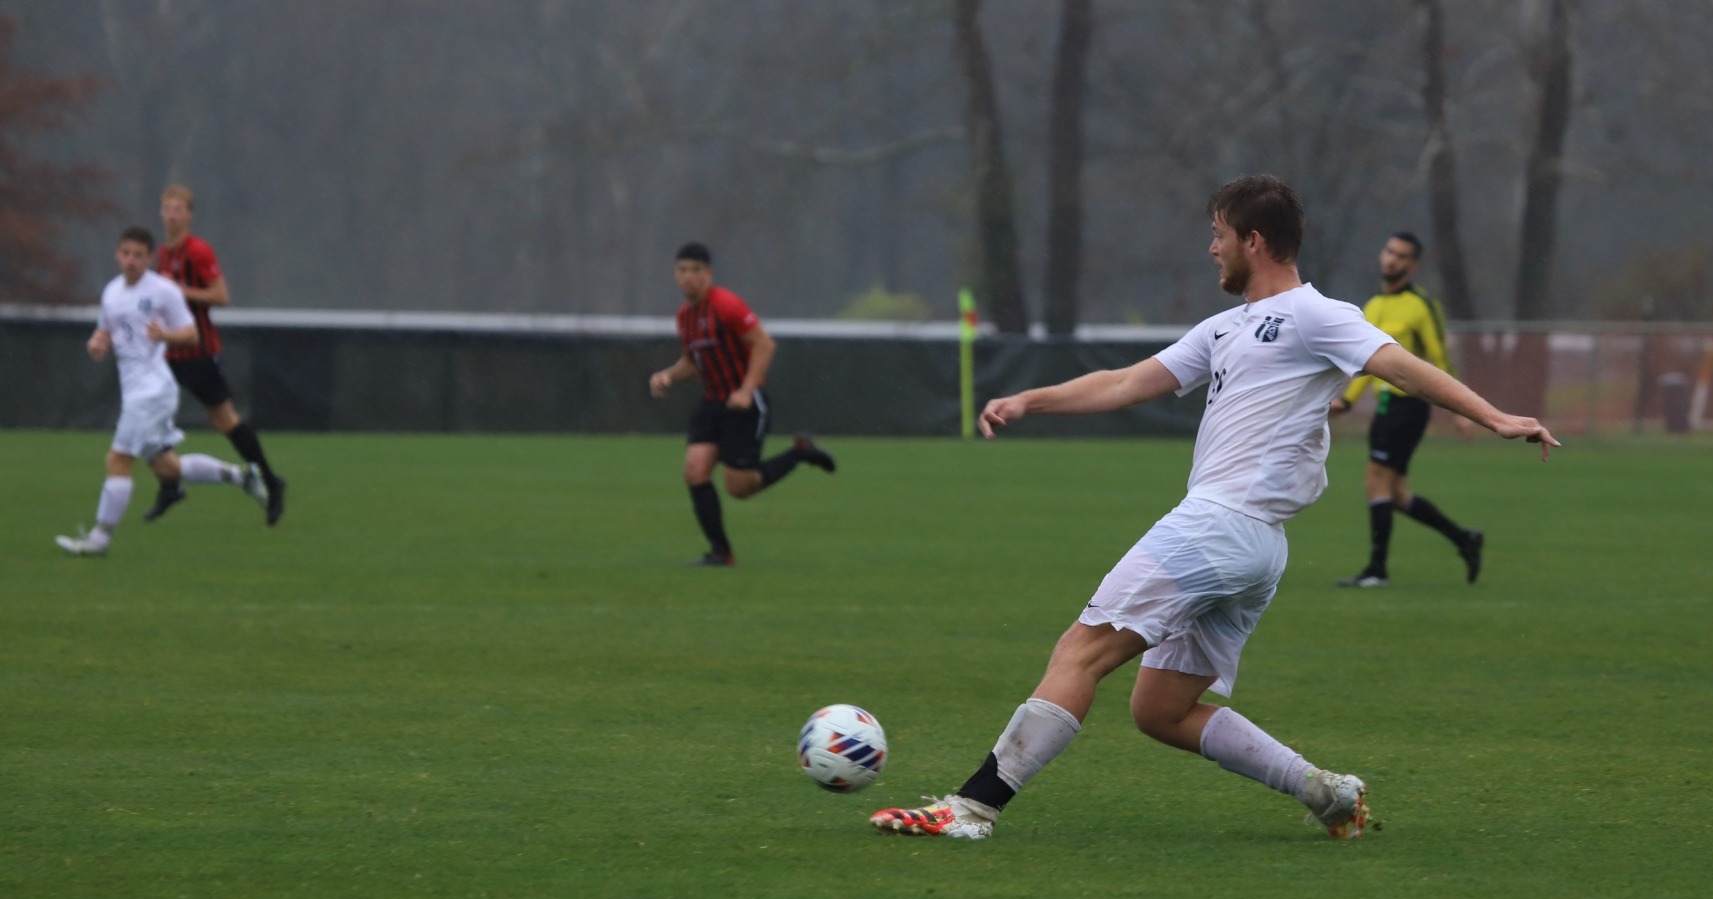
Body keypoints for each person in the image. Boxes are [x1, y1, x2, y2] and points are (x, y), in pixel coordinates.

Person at [869, 177, 1557, 841]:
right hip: (1254, 548)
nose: (1212, 249)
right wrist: (1029, 400)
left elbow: (1398, 364)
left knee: (1080, 651)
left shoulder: (1316, 314)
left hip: (1219, 525)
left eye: (1218, 235)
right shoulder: (1225, 328)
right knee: (1159, 710)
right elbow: (1127, 382)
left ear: (1253, 241)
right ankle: (1325, 791)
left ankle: (972, 808)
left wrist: (1493, 416)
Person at [57, 227, 266, 556]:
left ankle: (99, 539)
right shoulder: (111, 292)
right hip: (135, 391)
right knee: (168, 467)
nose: (131, 261)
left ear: (149, 258)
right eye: (125, 253)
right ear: (117, 254)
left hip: (153, 391)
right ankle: (241, 476)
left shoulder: (163, 291)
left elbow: (192, 334)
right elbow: (104, 331)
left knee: (118, 459)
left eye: (138, 255)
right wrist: (97, 343)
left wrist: (164, 335)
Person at [647, 242, 835, 566]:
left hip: (746, 403)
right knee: (695, 471)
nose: (688, 277)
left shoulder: (726, 305)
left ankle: (799, 453)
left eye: (695, 270)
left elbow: (765, 345)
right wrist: (667, 376)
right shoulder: (685, 317)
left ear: (708, 274)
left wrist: (747, 390)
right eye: (682, 270)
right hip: (713, 402)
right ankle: (721, 553)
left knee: (739, 487)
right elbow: (693, 363)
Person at [1328, 232, 1481, 587]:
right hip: (1385, 405)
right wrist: (1348, 400)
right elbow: (1366, 363)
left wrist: (1461, 410)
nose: (1391, 259)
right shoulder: (1373, 306)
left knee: (1375, 480)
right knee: (1394, 494)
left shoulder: (1421, 306)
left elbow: (1440, 359)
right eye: (1389, 251)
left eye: (1401, 256)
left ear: (1412, 266)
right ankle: (1464, 539)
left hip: (1408, 405)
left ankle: (1377, 570)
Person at [155, 184, 285, 525]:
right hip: (168, 353)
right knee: (149, 415)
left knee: (224, 420)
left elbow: (221, 296)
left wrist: (181, 292)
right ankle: (169, 486)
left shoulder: (197, 251)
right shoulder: (162, 254)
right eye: (167, 208)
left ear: (189, 214)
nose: (172, 215)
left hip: (198, 352)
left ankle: (271, 480)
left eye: (178, 209)